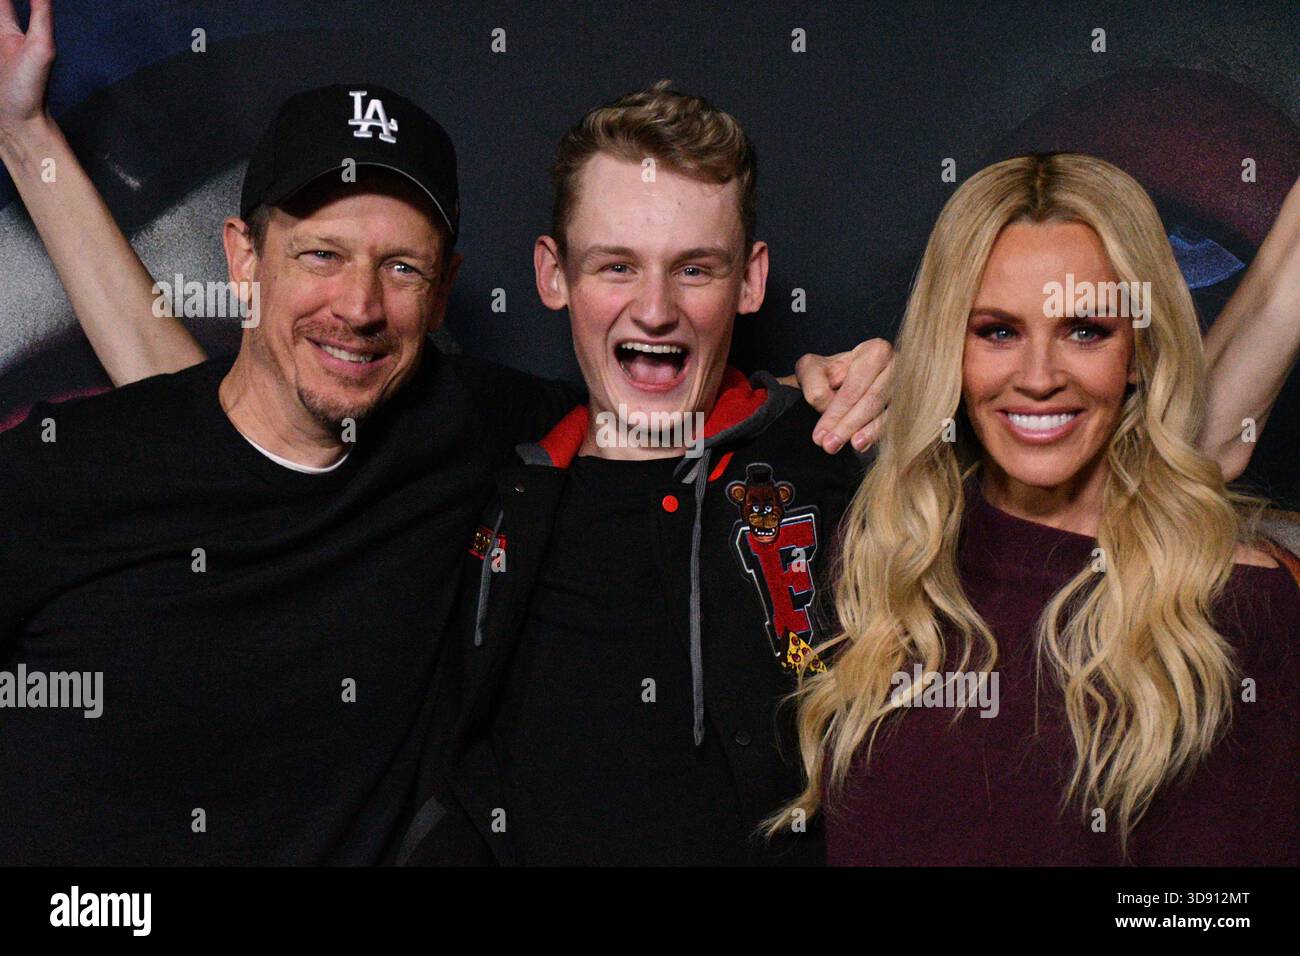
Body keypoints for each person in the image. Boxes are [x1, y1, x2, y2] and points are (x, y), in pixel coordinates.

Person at [0, 3, 884, 864]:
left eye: (401, 267)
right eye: (321, 254)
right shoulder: (64, 466)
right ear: (241, 259)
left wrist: (832, 393)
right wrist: (25, 136)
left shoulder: (488, 441)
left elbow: (663, 412)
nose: (358, 305)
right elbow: (185, 423)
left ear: (444, 284)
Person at [781, 153, 1300, 865]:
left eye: (1085, 330)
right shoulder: (874, 557)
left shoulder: (1236, 603)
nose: (1038, 378)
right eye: (997, 330)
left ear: (1141, 347)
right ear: (946, 347)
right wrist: (797, 391)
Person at [399, 84, 869, 866]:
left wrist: (909, 390)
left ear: (750, 281)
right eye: (616, 266)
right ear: (553, 275)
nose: (654, 311)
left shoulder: (835, 458)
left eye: (694, 270)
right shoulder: (492, 480)